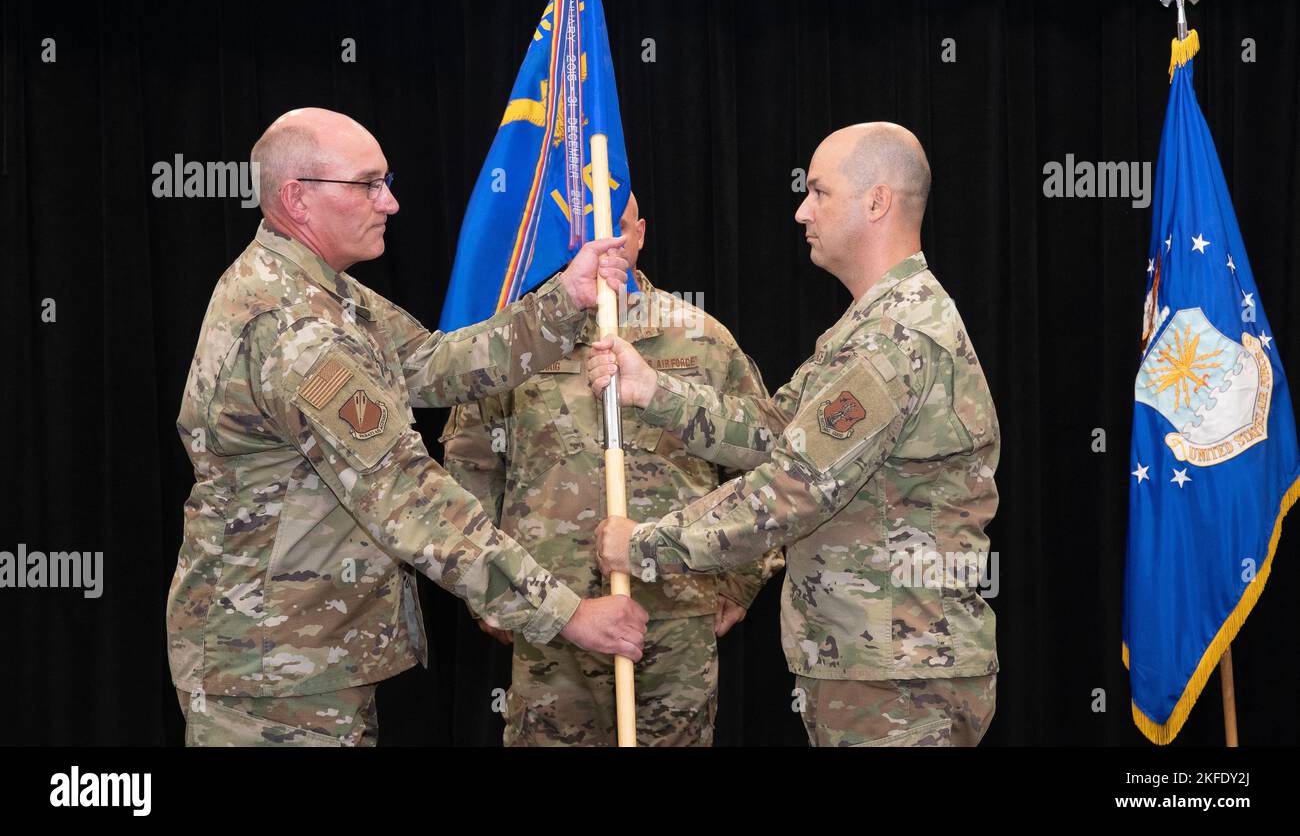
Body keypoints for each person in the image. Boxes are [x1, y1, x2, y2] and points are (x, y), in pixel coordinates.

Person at [166, 107, 648, 747]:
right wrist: (566, 614)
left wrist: (568, 301)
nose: (389, 202)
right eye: (368, 184)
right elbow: (407, 493)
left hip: (304, 655)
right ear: (297, 199)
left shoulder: (327, 295)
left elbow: (434, 363)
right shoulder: (294, 326)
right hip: (271, 672)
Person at [588, 122, 1000, 747]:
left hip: (899, 675)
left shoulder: (896, 338)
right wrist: (654, 392)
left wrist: (642, 545)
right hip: (875, 662)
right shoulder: (871, 326)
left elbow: (790, 489)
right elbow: (780, 433)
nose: (801, 209)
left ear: (876, 201)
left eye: (818, 192)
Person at [441, 192, 783, 746]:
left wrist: (743, 579)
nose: (602, 247)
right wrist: (489, 590)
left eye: (616, 229)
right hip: (551, 607)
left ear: (641, 234)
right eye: (583, 233)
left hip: (673, 612)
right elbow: (470, 461)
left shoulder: (702, 339)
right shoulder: (518, 340)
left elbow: (768, 460)